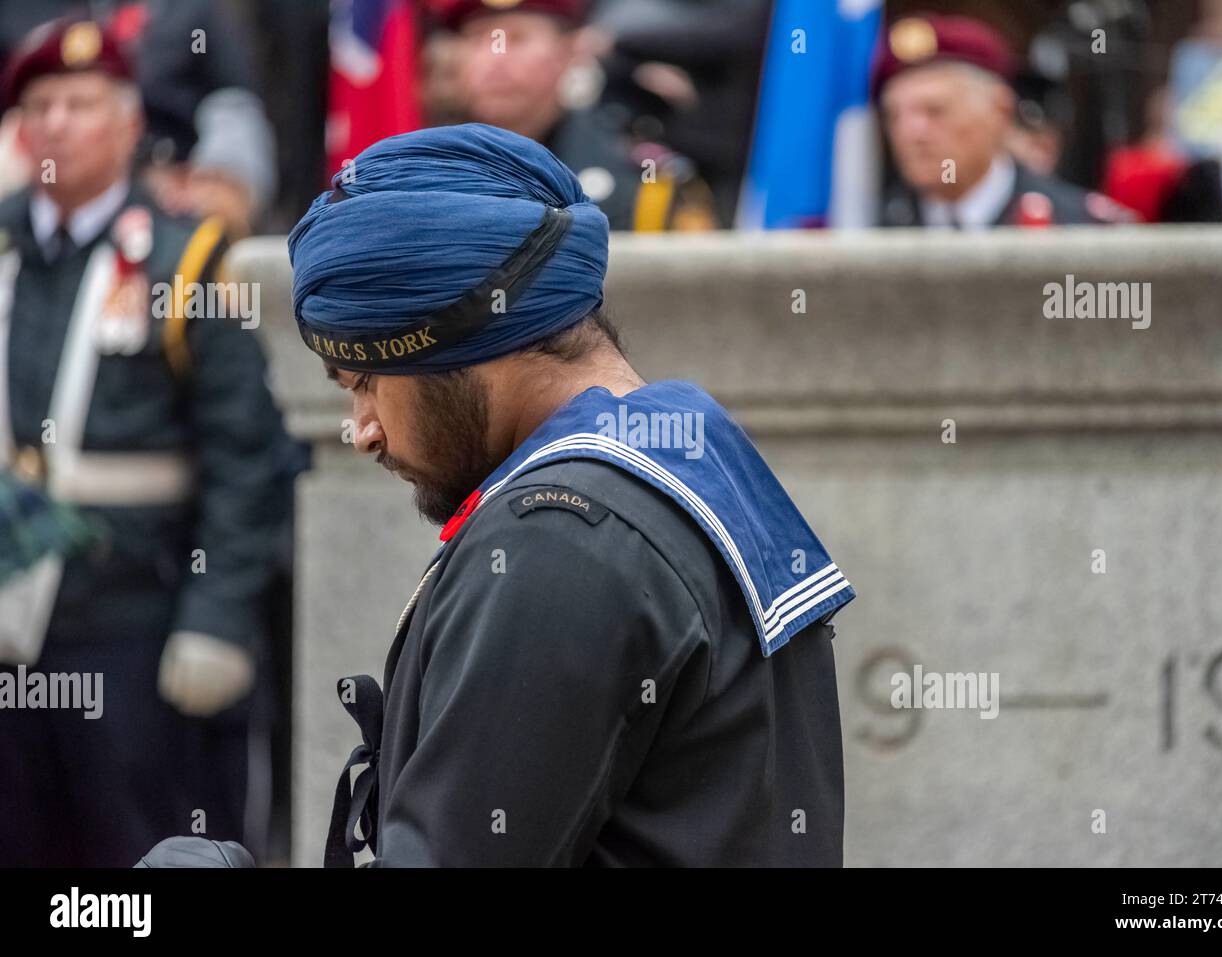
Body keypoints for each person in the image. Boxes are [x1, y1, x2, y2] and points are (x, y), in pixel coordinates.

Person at [140, 122, 853, 868]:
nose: (365, 431)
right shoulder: (689, 447)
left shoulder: (560, 537)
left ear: (464, 347)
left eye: (364, 383)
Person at [0, 16, 291, 866]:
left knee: (136, 859)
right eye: (40, 105)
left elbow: (248, 453)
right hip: (11, 625)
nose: (56, 123)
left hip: (135, 625)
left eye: (81, 103)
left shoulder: (192, 260)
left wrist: (219, 616)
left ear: (130, 125)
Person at [440, 0, 717, 231]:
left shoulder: (644, 182)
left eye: (518, 38)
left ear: (569, 52)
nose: (495, 59)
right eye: (477, 40)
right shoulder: (429, 171)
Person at [874, 13, 1133, 228]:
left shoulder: (1081, 228)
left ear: (1000, 111)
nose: (910, 132)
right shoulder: (869, 227)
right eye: (894, 115)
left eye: (935, 110)